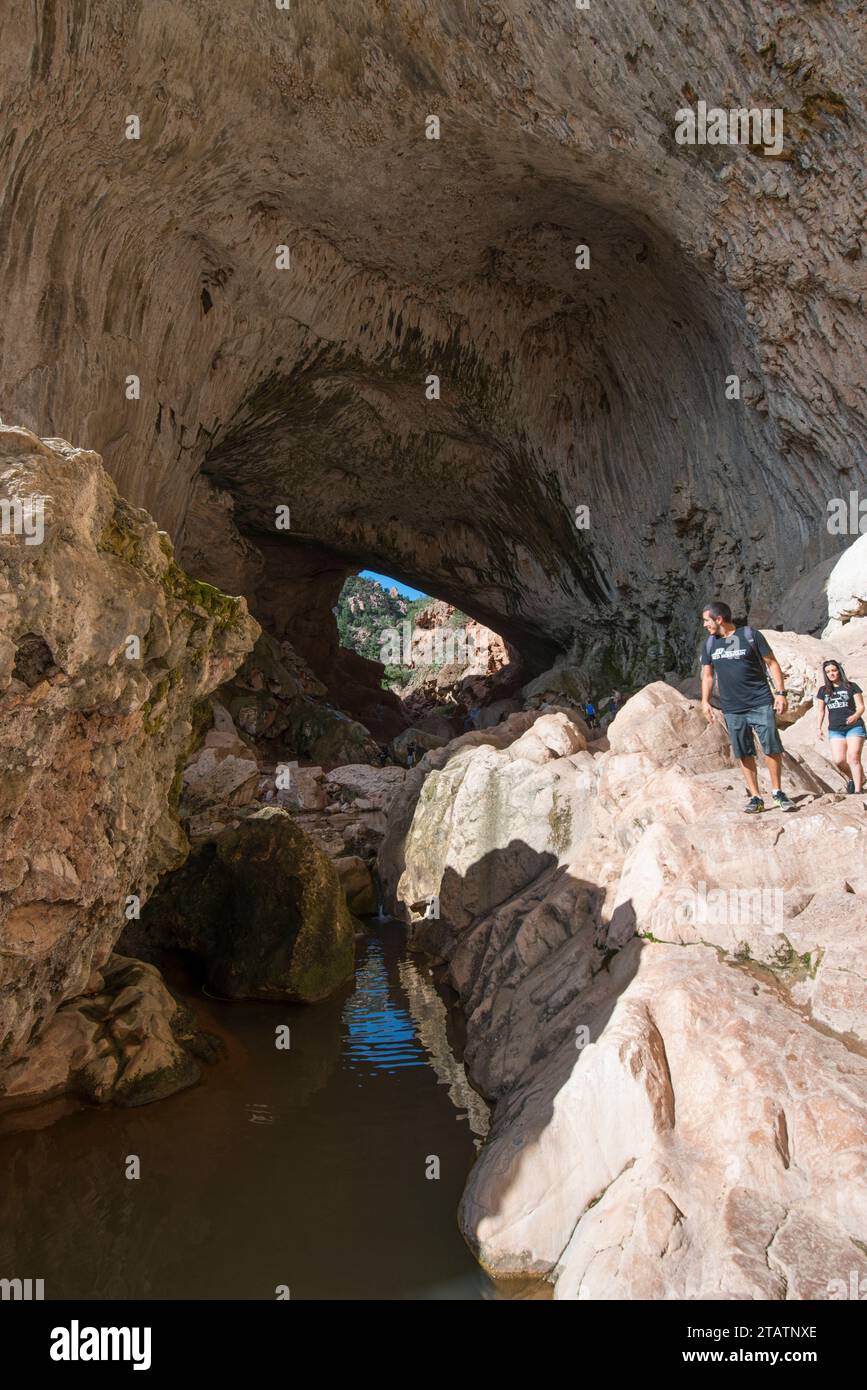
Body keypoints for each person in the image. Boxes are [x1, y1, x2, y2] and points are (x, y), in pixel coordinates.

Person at [700, 600, 796, 813]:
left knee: (771, 746)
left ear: (719, 618)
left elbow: (772, 663)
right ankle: (756, 797)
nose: (705, 625)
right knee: (743, 751)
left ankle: (777, 791)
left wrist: (780, 694)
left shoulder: (749, 635)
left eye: (707, 620)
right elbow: (707, 675)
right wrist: (705, 701)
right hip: (732, 707)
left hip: (759, 701)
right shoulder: (709, 644)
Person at [815, 660, 865, 793]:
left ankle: (858, 791)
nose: (831, 673)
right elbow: (821, 710)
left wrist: (855, 716)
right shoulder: (823, 690)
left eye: (833, 670)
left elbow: (861, 707)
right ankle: (855, 778)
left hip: (854, 727)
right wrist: (819, 728)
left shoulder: (851, 686)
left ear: (839, 671)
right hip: (836, 730)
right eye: (828, 672)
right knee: (839, 761)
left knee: (853, 757)